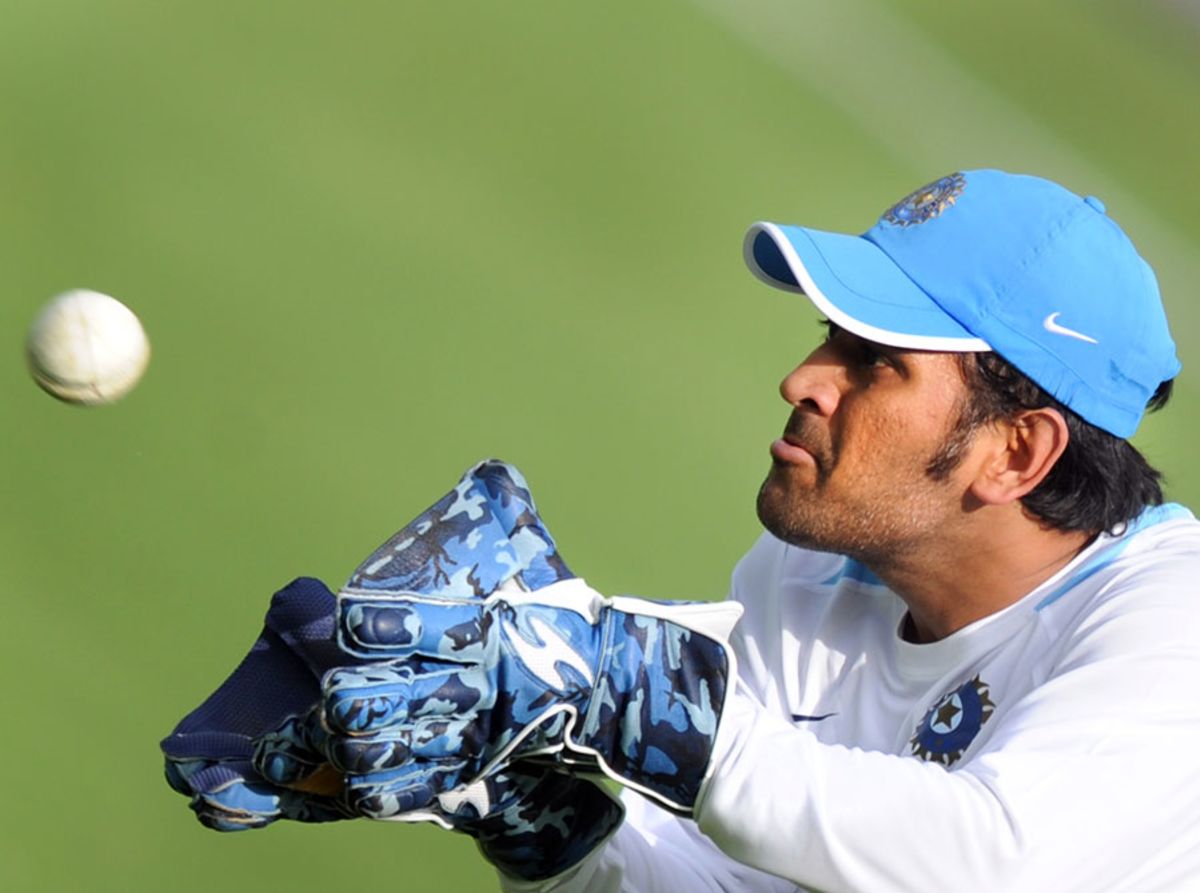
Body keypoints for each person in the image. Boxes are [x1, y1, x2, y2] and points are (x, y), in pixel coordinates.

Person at [163, 170, 1200, 892]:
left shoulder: (1168, 630)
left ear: (1016, 452)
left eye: (876, 361)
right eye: (830, 337)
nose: (803, 380)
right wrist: (531, 812)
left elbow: (994, 862)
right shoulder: (813, 574)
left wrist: (624, 684)